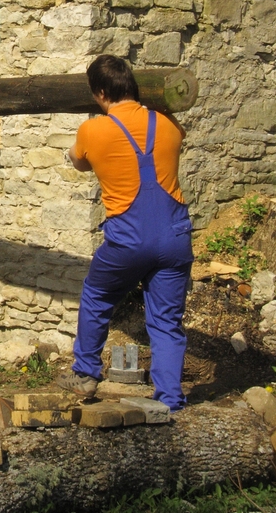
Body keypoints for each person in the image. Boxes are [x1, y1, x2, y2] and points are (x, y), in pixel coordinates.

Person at [57, 54, 194, 411]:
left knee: (98, 294)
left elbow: (78, 160)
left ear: (101, 93)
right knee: (165, 321)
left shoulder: (93, 129)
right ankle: (170, 400)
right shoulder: (166, 123)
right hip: (174, 237)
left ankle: (86, 373)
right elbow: (180, 138)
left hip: (128, 240)